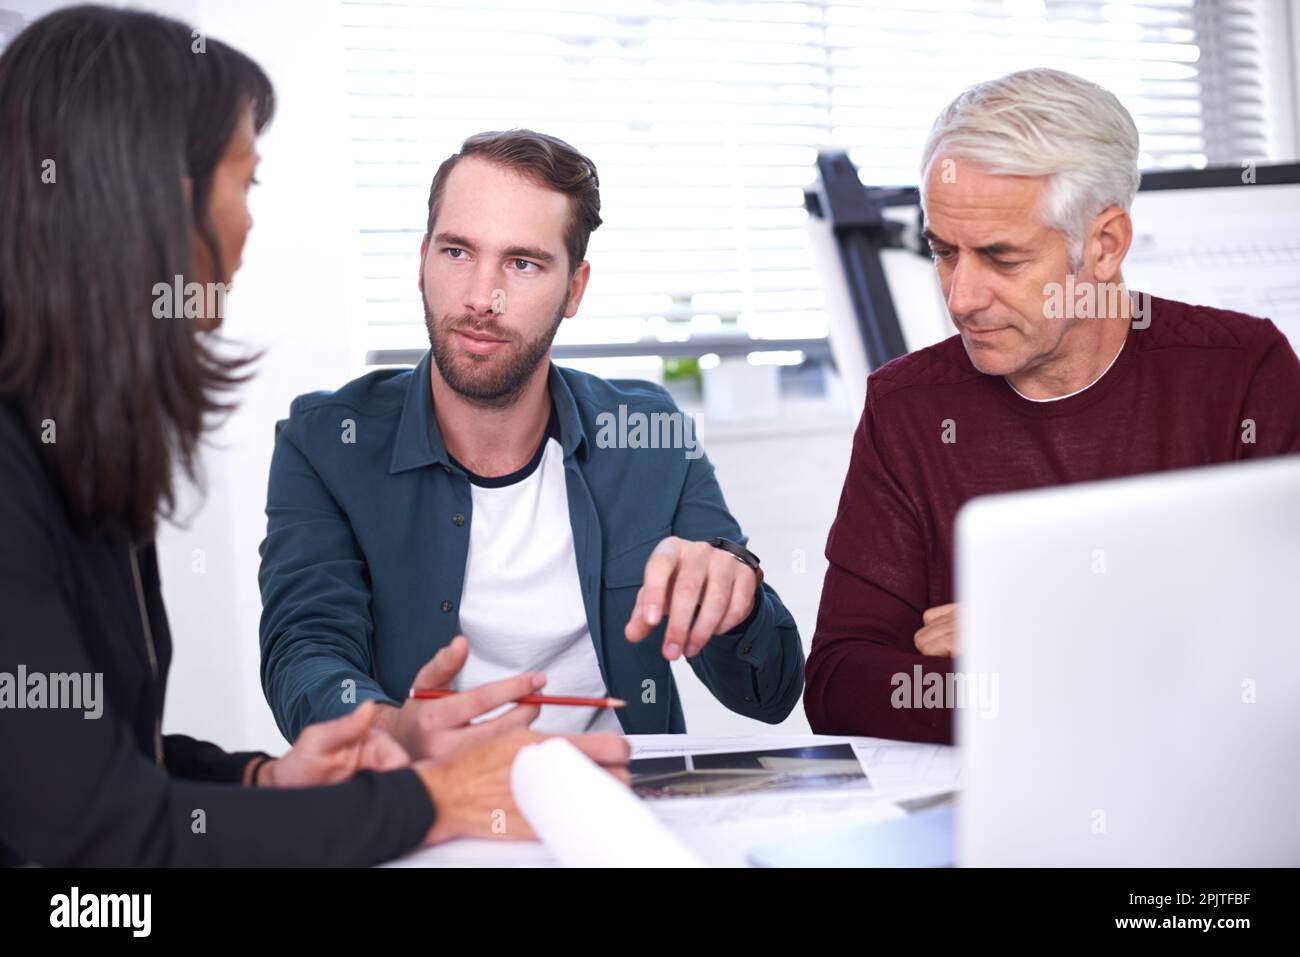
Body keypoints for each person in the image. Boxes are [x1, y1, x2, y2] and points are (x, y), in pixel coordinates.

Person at [0, 5, 626, 867]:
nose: (249, 226)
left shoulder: (78, 440)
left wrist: (263, 781)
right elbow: (90, 828)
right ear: (155, 199)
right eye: (244, 182)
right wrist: (426, 799)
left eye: (522, 262)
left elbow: (97, 772)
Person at [258, 129, 806, 751]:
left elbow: (770, 695)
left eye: (522, 263)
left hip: (617, 809)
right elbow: (304, 653)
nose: (480, 298)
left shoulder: (650, 435)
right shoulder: (326, 444)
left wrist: (735, 595)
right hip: (424, 809)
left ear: (574, 289)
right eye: (457, 252)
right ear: (421, 260)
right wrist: (390, 730)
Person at [805, 68, 1300, 744]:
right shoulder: (907, 407)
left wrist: (1029, 632)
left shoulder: (1244, 372)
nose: (960, 297)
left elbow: (1274, 652)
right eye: (943, 252)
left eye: (1001, 259)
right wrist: (1141, 657)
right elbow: (841, 682)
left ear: (1104, 245)